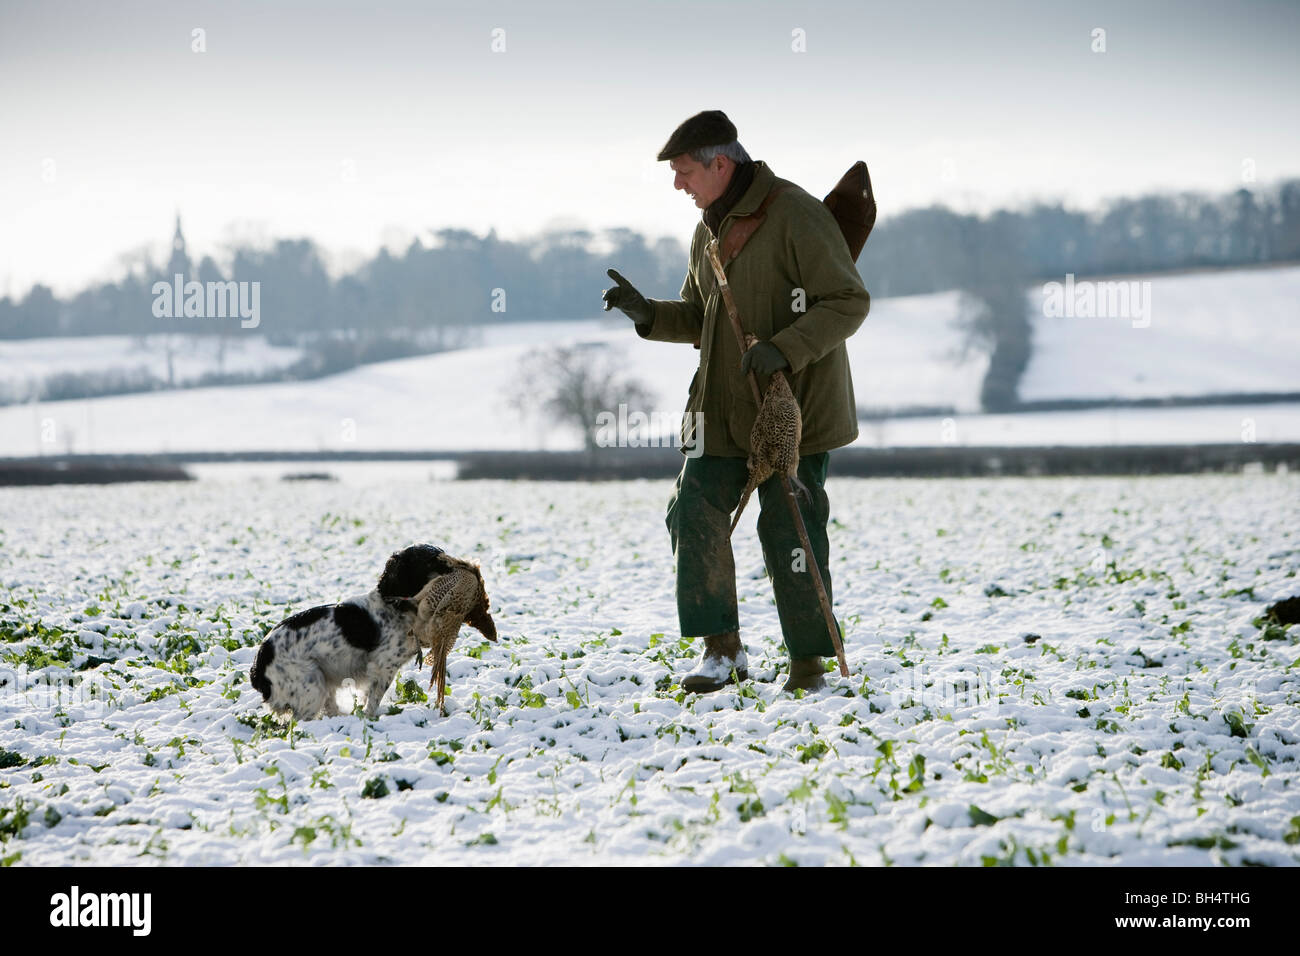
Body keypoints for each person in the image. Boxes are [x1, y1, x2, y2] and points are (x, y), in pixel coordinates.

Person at [603, 109, 869, 693]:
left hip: (790, 412)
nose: (678, 184)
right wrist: (650, 314)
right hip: (721, 413)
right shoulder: (708, 228)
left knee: (790, 526)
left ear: (720, 164)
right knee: (692, 508)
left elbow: (849, 300)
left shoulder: (797, 214)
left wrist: (785, 348)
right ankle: (721, 653)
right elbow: (702, 315)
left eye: (684, 171)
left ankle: (808, 662)